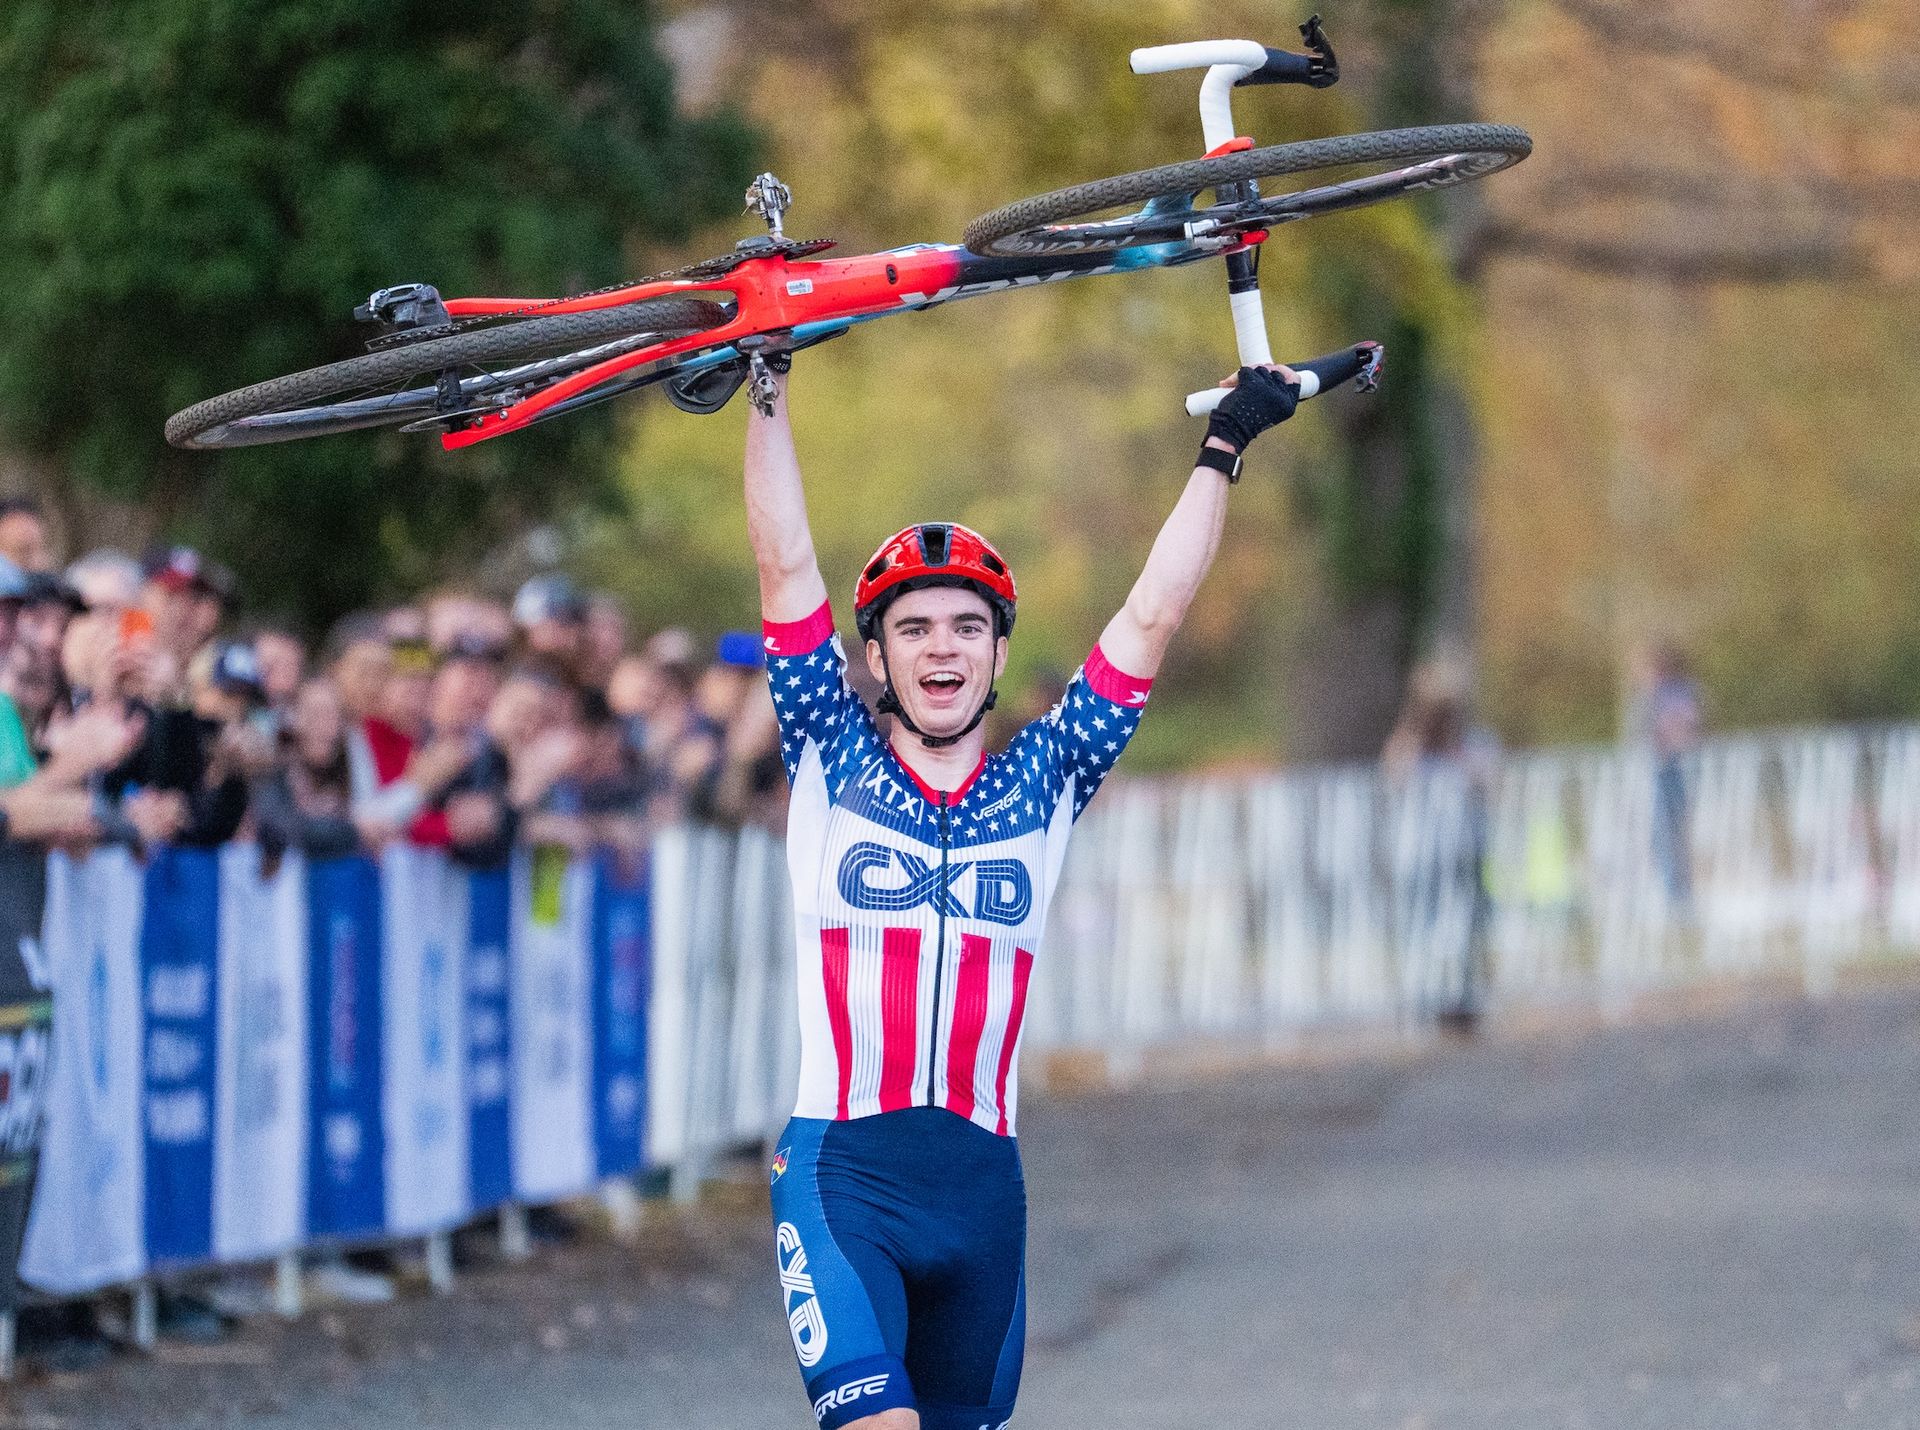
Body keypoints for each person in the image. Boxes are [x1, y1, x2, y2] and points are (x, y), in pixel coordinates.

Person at [744, 355, 1302, 1430]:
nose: (939, 646)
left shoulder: (1047, 778)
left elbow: (1150, 617)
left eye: (964, 626)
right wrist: (766, 385)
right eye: (913, 627)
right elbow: (785, 568)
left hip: (984, 1188)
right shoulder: (826, 748)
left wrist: (1222, 452)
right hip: (842, 1172)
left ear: (999, 651)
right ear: (877, 655)